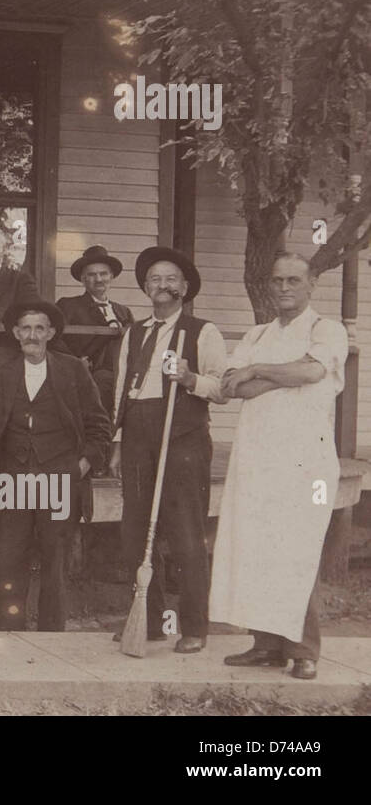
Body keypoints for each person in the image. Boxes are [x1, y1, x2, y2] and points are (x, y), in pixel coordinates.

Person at [209, 253, 346, 680]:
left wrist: (259, 371)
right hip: (257, 458)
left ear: (310, 285)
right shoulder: (257, 333)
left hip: (308, 462)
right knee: (255, 546)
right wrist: (268, 374)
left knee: (296, 550)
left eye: (293, 280)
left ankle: (304, 650)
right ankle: (266, 645)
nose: (284, 287)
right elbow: (236, 387)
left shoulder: (328, 329)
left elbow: (312, 371)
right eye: (277, 281)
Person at [0, 301, 110, 631]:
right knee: (9, 557)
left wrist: (82, 466)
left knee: (55, 560)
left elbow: (100, 425)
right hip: (13, 477)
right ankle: (9, 629)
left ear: (51, 333)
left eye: (40, 328)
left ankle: (51, 634)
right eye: (26, 328)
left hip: (59, 477)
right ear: (15, 333)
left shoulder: (72, 369)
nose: (32, 335)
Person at [110, 245, 226, 654]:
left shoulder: (202, 331)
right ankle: (151, 622)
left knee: (186, 535)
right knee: (134, 534)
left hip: (183, 437)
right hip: (139, 433)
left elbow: (222, 387)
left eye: (171, 278)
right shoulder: (134, 333)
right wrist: (120, 442)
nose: (162, 284)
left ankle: (194, 626)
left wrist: (191, 377)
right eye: (155, 278)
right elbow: (124, 390)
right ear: (145, 287)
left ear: (185, 287)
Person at [55, 245, 132, 414]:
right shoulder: (69, 305)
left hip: (120, 375)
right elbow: (54, 339)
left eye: (103, 274)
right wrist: (75, 362)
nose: (99, 279)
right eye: (91, 274)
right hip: (87, 376)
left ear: (111, 277)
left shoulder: (123, 311)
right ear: (83, 279)